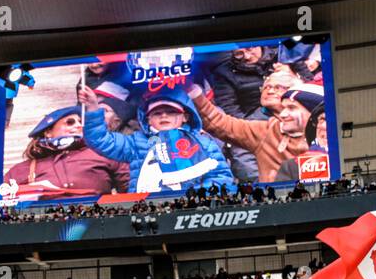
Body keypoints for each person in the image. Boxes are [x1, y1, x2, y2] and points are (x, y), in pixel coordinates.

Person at [80, 86, 236, 195]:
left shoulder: (203, 142)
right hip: (146, 209)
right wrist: (93, 109)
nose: (164, 116)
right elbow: (100, 140)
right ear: (147, 119)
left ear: (185, 117)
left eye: (171, 112)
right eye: (157, 113)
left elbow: (221, 177)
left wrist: (193, 197)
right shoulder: (136, 142)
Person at [185, 82, 314, 183]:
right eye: (284, 108)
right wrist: (194, 92)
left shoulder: (330, 137)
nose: (284, 114)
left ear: (314, 111)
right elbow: (219, 123)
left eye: (291, 108)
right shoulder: (267, 131)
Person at [4, 105, 130, 200]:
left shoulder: (104, 153)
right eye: (70, 122)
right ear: (48, 132)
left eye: (81, 122)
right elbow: (1, 199)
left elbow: (131, 187)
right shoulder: (21, 170)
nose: (79, 125)